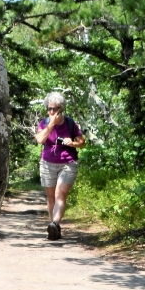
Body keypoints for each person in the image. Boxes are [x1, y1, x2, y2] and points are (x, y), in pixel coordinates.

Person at [34, 91, 85, 240]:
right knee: (51, 197)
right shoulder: (44, 123)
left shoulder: (70, 123)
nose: (51, 111)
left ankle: (55, 224)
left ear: (61, 109)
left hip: (68, 163)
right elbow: (40, 140)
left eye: (54, 109)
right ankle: (53, 227)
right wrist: (51, 125)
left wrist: (73, 143)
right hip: (47, 163)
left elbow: (82, 143)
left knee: (60, 195)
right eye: (49, 108)